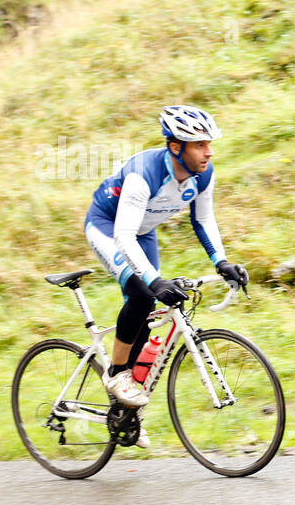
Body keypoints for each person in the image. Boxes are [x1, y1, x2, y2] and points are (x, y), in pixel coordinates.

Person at [83, 105, 249, 446]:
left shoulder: (204, 173)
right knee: (144, 293)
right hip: (109, 227)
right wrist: (154, 280)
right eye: (200, 144)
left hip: (142, 232)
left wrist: (222, 262)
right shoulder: (143, 174)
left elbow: (203, 220)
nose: (209, 151)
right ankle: (116, 375)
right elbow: (122, 236)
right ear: (176, 147)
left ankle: (123, 411)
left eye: (209, 143)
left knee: (148, 309)